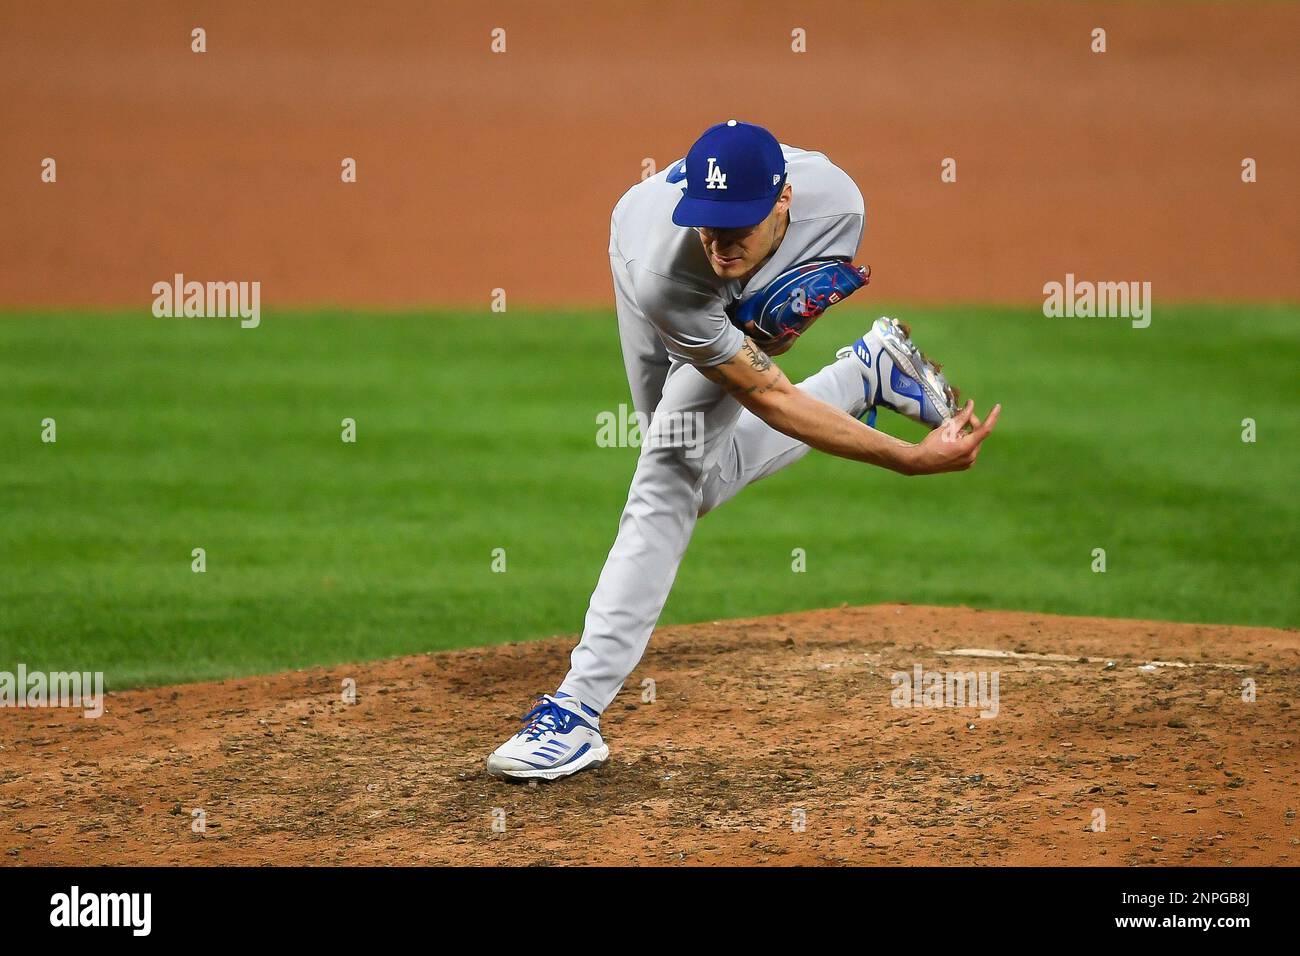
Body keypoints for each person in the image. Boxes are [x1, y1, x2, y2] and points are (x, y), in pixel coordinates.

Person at [487, 120, 1000, 781]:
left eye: (739, 226)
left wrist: (760, 332)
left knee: (669, 477)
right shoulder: (666, 276)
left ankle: (575, 711)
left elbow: (770, 369)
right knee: (692, 477)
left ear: (783, 199)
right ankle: (868, 372)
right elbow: (772, 398)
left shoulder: (839, 207)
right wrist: (908, 457)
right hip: (655, 277)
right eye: (709, 224)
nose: (722, 242)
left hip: (733, 292)